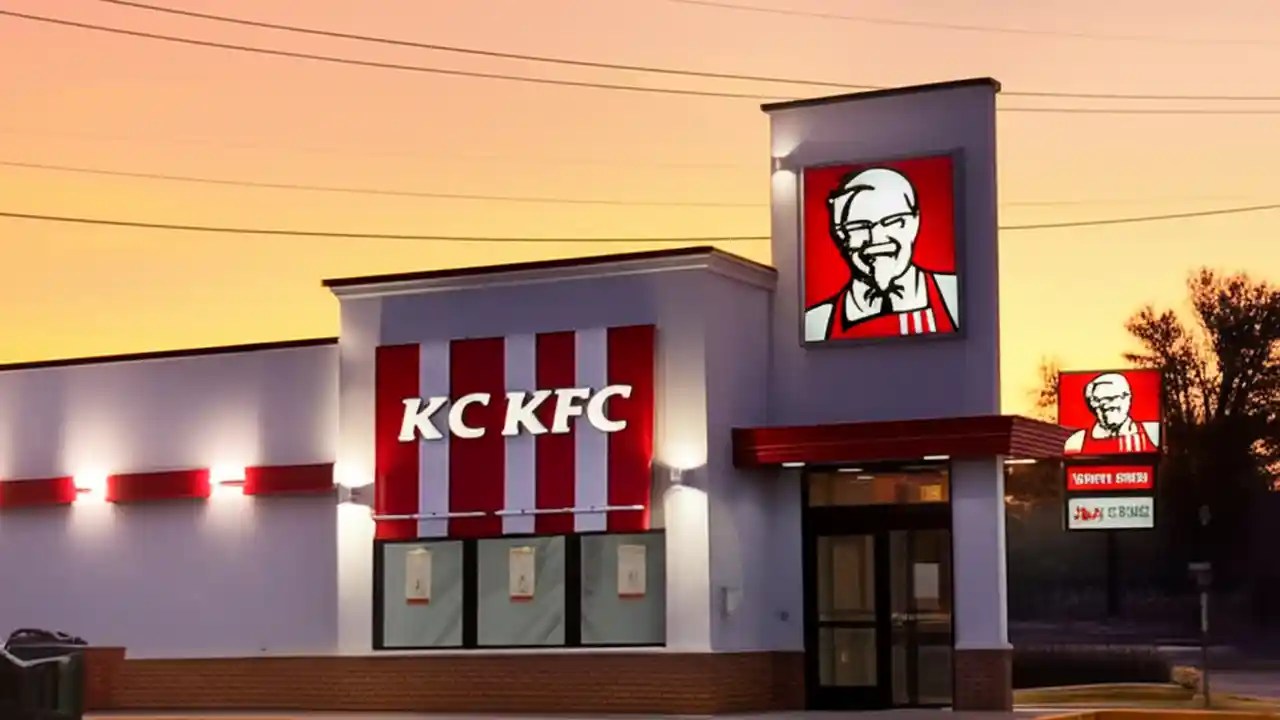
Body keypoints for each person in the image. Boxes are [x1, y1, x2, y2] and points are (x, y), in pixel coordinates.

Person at [804, 166, 959, 342]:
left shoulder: (953, 294)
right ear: (840, 236)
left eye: (893, 221)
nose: (876, 239)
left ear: (915, 222)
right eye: (859, 227)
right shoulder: (817, 322)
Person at [1064, 372, 1160, 454]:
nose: (1111, 405)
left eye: (1117, 397)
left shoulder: (1152, 432)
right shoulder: (1076, 442)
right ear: (1092, 403)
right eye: (1102, 400)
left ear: (1128, 399)